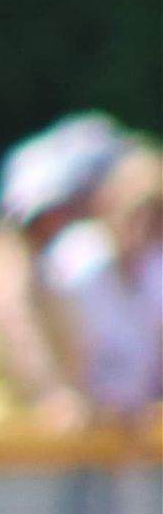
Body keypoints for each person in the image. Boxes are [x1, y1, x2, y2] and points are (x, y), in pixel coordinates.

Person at [0, 119, 122, 428]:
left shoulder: (30, 258)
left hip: (19, 425)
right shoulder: (7, 255)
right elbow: (16, 327)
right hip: (2, 428)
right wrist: (55, 395)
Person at [46, 138, 163, 416]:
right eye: (137, 212)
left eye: (156, 214)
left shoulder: (156, 270)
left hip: (137, 426)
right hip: (77, 424)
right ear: (108, 205)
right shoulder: (75, 260)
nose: (144, 226)